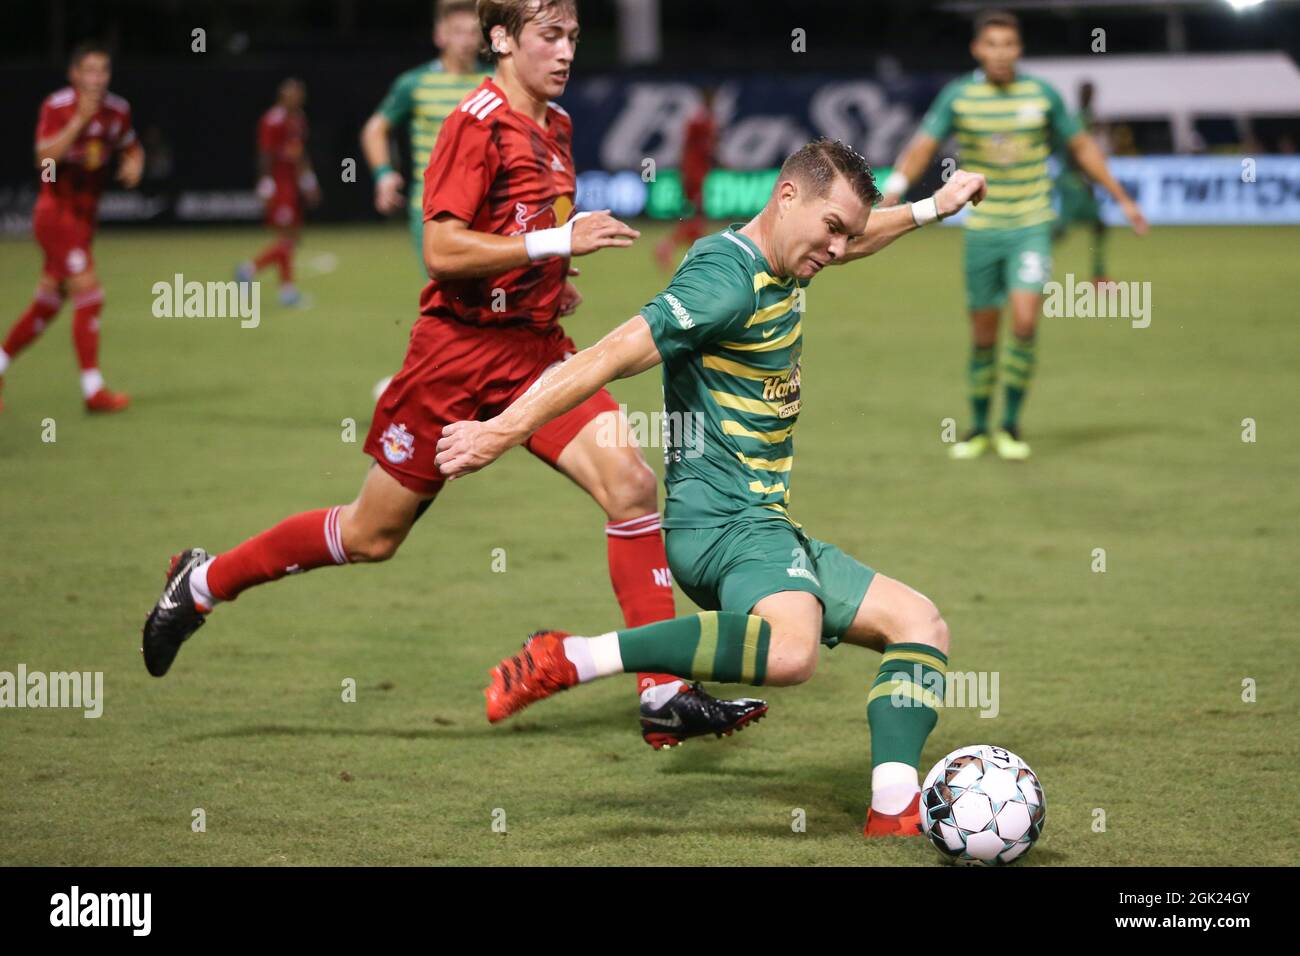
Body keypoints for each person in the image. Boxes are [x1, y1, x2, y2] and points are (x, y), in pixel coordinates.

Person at [143, 0, 765, 750]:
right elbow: (443, 250)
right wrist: (552, 241)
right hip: (455, 355)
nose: (566, 52)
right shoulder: (475, 121)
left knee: (631, 484)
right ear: (502, 39)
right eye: (549, 36)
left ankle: (662, 693)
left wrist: (551, 276)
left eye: (572, 36)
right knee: (372, 535)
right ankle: (203, 583)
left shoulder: (557, 126)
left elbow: (529, 235)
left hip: (534, 347)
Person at [433, 138, 988, 836]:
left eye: (848, 233)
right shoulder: (723, 282)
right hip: (721, 527)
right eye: (831, 230)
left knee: (920, 624)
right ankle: (573, 656)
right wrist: (500, 431)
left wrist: (936, 207)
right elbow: (607, 355)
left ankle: (893, 811)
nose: (840, 249)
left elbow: (856, 231)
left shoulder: (789, 255)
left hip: (764, 523)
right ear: (787, 197)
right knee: (792, 652)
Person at [881, 9, 1147, 461]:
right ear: (977, 50)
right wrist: (893, 191)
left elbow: (1081, 146)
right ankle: (979, 427)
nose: (1001, 53)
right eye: (992, 45)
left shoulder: (1040, 95)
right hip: (982, 229)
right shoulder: (959, 97)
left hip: (1031, 225)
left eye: (1009, 45)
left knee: (1024, 322)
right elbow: (923, 145)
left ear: (1019, 50)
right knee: (984, 335)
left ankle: (1010, 425)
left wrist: (1120, 195)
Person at [0, 42, 142, 415]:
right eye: (90, 71)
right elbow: (44, 160)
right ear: (74, 74)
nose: (97, 78)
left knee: (47, 304)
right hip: (55, 213)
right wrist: (79, 120)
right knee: (91, 296)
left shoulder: (118, 111)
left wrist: (135, 163)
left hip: (84, 220)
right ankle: (93, 391)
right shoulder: (58, 106)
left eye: (103, 71)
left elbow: (132, 147)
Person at [362, 0, 490, 269]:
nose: (465, 40)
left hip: (486, 206)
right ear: (439, 35)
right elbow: (374, 129)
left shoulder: (496, 82)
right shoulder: (414, 83)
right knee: (447, 296)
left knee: (488, 299)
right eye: (457, 32)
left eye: (472, 32)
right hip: (432, 208)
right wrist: (383, 175)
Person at [236, 79, 319, 307]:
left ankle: (282, 288)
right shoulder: (272, 120)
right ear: (283, 96)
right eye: (295, 95)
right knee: (287, 238)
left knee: (291, 238)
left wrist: (308, 181)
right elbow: (265, 153)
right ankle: (251, 271)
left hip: (292, 184)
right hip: (279, 184)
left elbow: (300, 153)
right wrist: (266, 182)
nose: (300, 99)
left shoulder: (299, 119)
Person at [654, 86, 718, 272]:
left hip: (694, 172)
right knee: (696, 215)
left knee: (696, 215)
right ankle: (667, 246)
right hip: (693, 174)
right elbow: (703, 148)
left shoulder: (699, 120)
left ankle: (693, 253)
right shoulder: (701, 122)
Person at [1052, 81, 1109, 284]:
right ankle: (1027, 257)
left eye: (1090, 93)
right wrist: (1088, 172)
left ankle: (1099, 276)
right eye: (1087, 93)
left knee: (1098, 225)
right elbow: (1076, 150)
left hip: (1077, 180)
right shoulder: (1079, 119)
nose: (1089, 96)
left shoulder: (1084, 116)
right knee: (1060, 229)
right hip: (1073, 181)